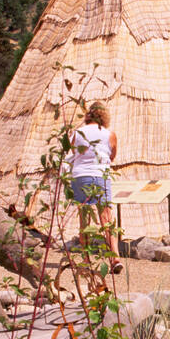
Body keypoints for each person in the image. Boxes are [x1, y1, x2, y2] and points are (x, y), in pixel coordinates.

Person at [69, 102, 120, 272]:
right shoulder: (109, 134)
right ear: (105, 117)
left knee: (84, 217)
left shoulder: (77, 133)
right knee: (106, 217)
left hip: (80, 175)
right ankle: (115, 257)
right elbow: (112, 156)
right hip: (100, 175)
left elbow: (72, 153)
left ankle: (85, 258)